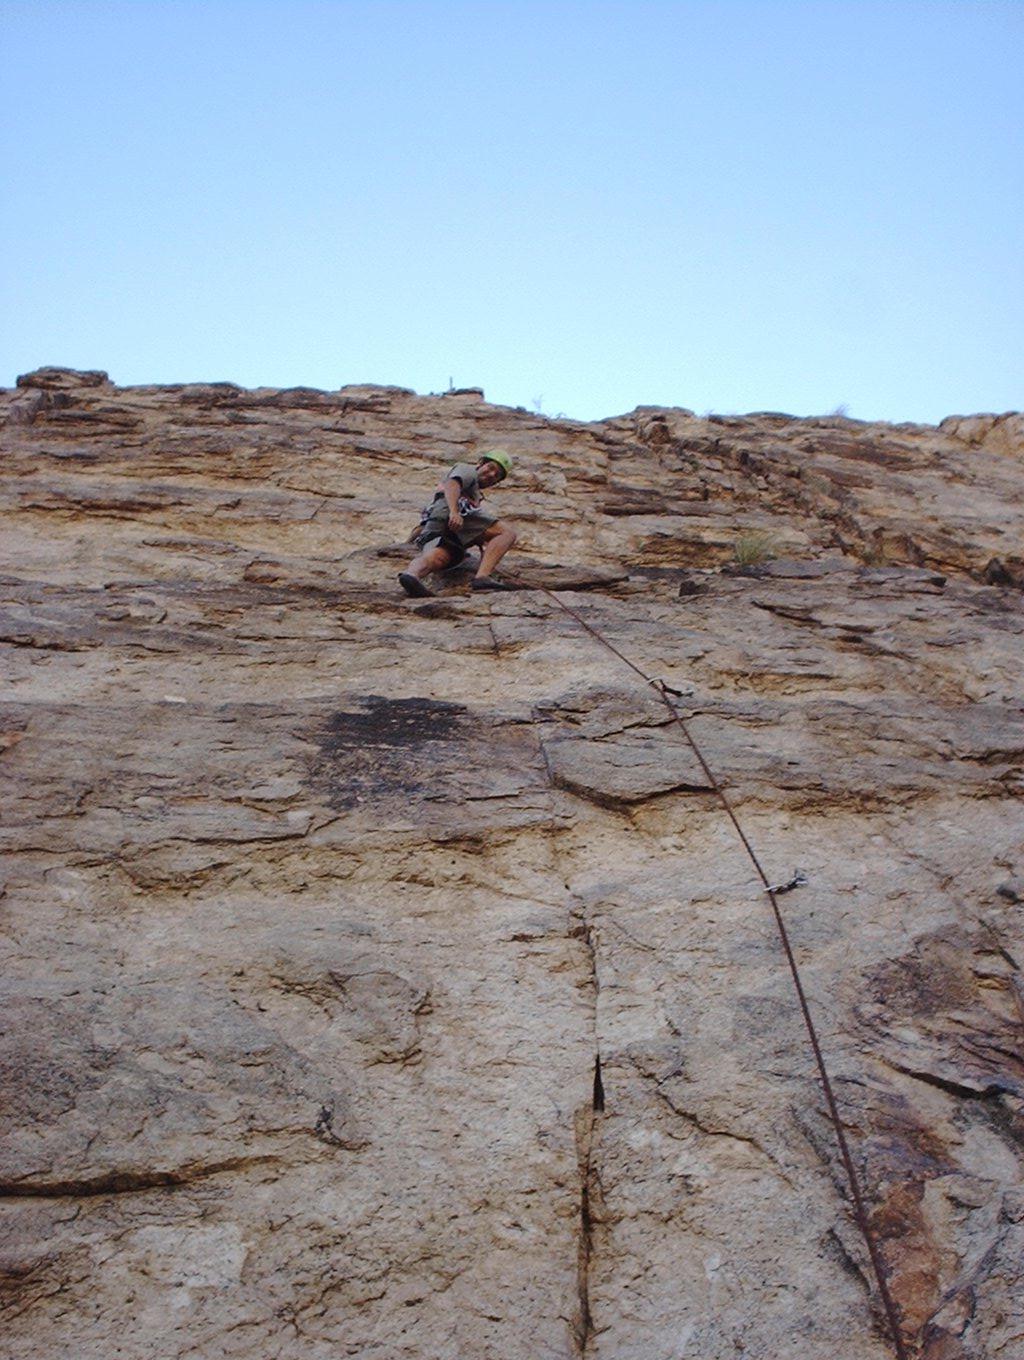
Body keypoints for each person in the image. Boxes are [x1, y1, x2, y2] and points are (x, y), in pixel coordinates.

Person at [398, 449, 517, 597]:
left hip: (440, 526)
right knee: (507, 534)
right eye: (491, 467)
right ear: (480, 463)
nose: (492, 474)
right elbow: (452, 484)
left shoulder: (474, 493)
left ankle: (411, 575)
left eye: (497, 475)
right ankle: (482, 577)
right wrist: (454, 512)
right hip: (453, 517)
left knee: (438, 558)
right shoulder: (467, 470)